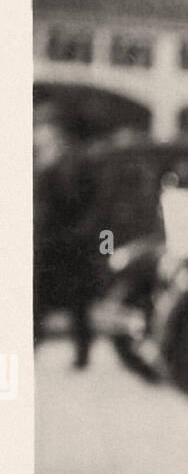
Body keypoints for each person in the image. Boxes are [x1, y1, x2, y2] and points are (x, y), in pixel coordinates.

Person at [33, 101, 102, 369]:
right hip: (46, 240)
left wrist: (82, 233)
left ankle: (82, 353)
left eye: (43, 127)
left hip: (70, 241)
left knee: (76, 300)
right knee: (38, 298)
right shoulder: (40, 159)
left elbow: (93, 201)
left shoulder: (76, 159)